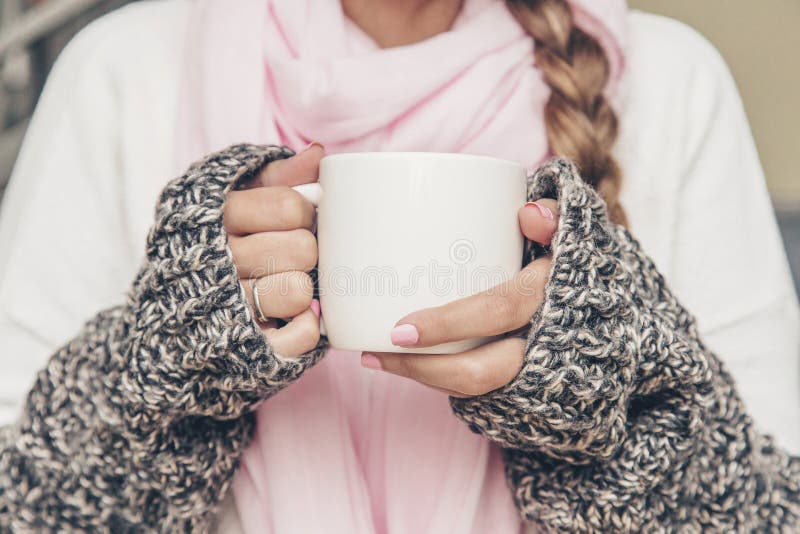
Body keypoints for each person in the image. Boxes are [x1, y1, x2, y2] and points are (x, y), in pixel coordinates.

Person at [0, 0, 798, 532]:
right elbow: (20, 506)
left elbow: (771, 514)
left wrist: (611, 397)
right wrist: (163, 362)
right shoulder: (124, 67)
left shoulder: (670, 80)